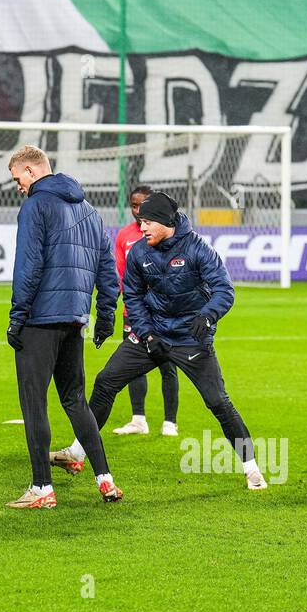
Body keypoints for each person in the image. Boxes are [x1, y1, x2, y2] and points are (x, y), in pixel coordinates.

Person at [60, 192, 269, 490]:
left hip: (190, 339)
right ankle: (77, 454)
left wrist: (207, 316)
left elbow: (225, 290)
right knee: (106, 381)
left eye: (146, 222)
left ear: (164, 222)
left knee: (218, 402)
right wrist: (146, 333)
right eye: (140, 222)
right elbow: (132, 295)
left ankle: (252, 470)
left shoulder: (199, 249)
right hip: (152, 334)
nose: (141, 228)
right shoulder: (139, 253)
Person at [4, 145, 120, 509]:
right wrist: (105, 315)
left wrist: (17, 316)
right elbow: (107, 268)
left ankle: (42, 489)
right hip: (75, 320)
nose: (18, 186)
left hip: (40, 319)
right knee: (74, 399)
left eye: (17, 178)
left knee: (34, 402)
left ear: (29, 170)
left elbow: (29, 265)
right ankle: (105, 480)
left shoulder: (36, 206)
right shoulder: (89, 210)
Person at [109, 185, 179, 436]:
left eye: (143, 205)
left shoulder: (167, 233)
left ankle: (170, 421)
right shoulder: (124, 236)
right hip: (134, 312)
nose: (138, 211)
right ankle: (138, 419)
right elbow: (119, 273)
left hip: (163, 313)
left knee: (167, 364)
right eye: (134, 205)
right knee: (133, 364)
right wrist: (110, 305)